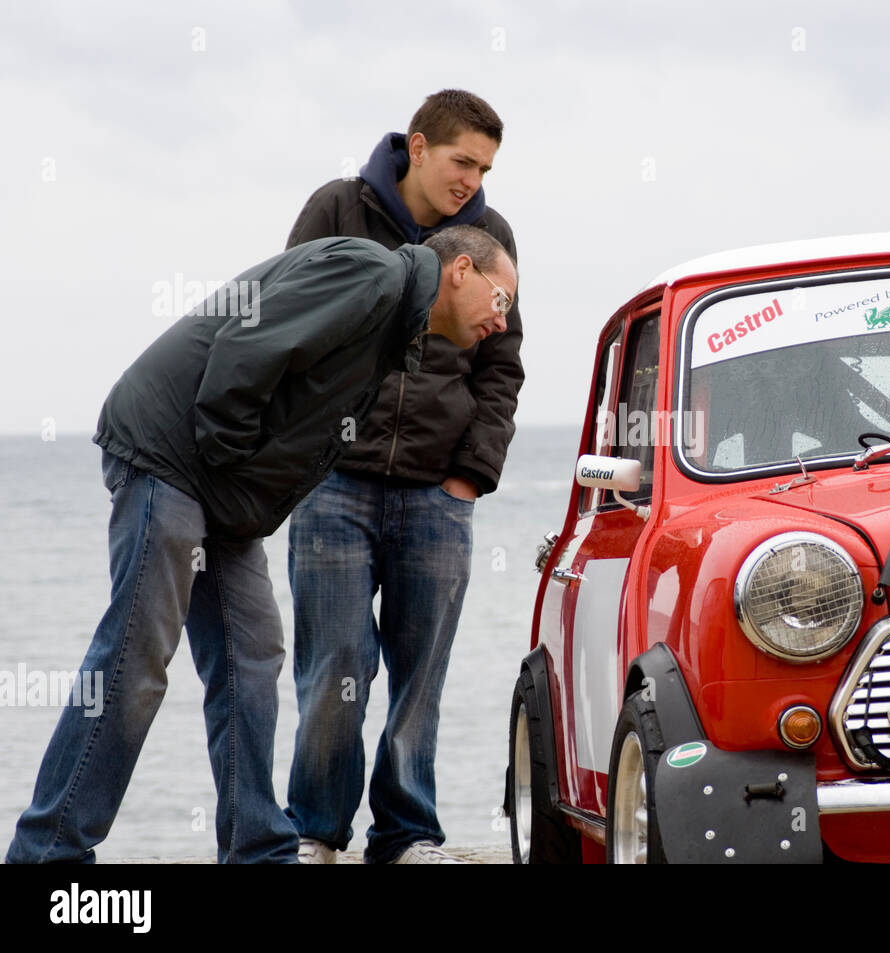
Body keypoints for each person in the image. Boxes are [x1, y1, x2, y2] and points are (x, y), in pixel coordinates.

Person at [4, 227, 517, 864]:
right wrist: (228, 461)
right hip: (172, 460)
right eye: (502, 301)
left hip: (218, 491)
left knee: (253, 655)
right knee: (137, 656)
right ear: (461, 270)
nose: (503, 322)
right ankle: (46, 854)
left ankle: (258, 851)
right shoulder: (372, 274)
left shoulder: (394, 325)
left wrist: (235, 488)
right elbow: (246, 350)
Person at [283, 91, 524, 864]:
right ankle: (316, 833)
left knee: (420, 677)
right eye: (462, 161)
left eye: (484, 167)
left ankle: (407, 834)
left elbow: (502, 368)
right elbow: (284, 326)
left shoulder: (492, 237)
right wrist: (299, 452)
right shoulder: (336, 208)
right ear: (417, 146)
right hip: (332, 484)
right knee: (334, 669)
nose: (472, 179)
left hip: (436, 492)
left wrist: (470, 476)